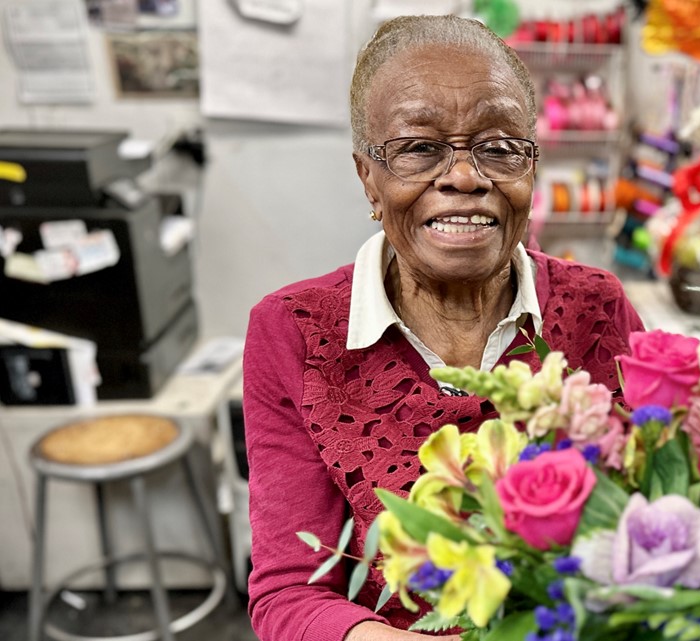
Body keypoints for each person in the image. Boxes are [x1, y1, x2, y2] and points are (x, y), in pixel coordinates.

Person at [241, 14, 645, 641]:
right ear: (368, 178)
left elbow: (654, 517)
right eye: (419, 148)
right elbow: (291, 593)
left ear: (531, 167)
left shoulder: (598, 308)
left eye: (500, 147)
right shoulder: (293, 331)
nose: (465, 176)